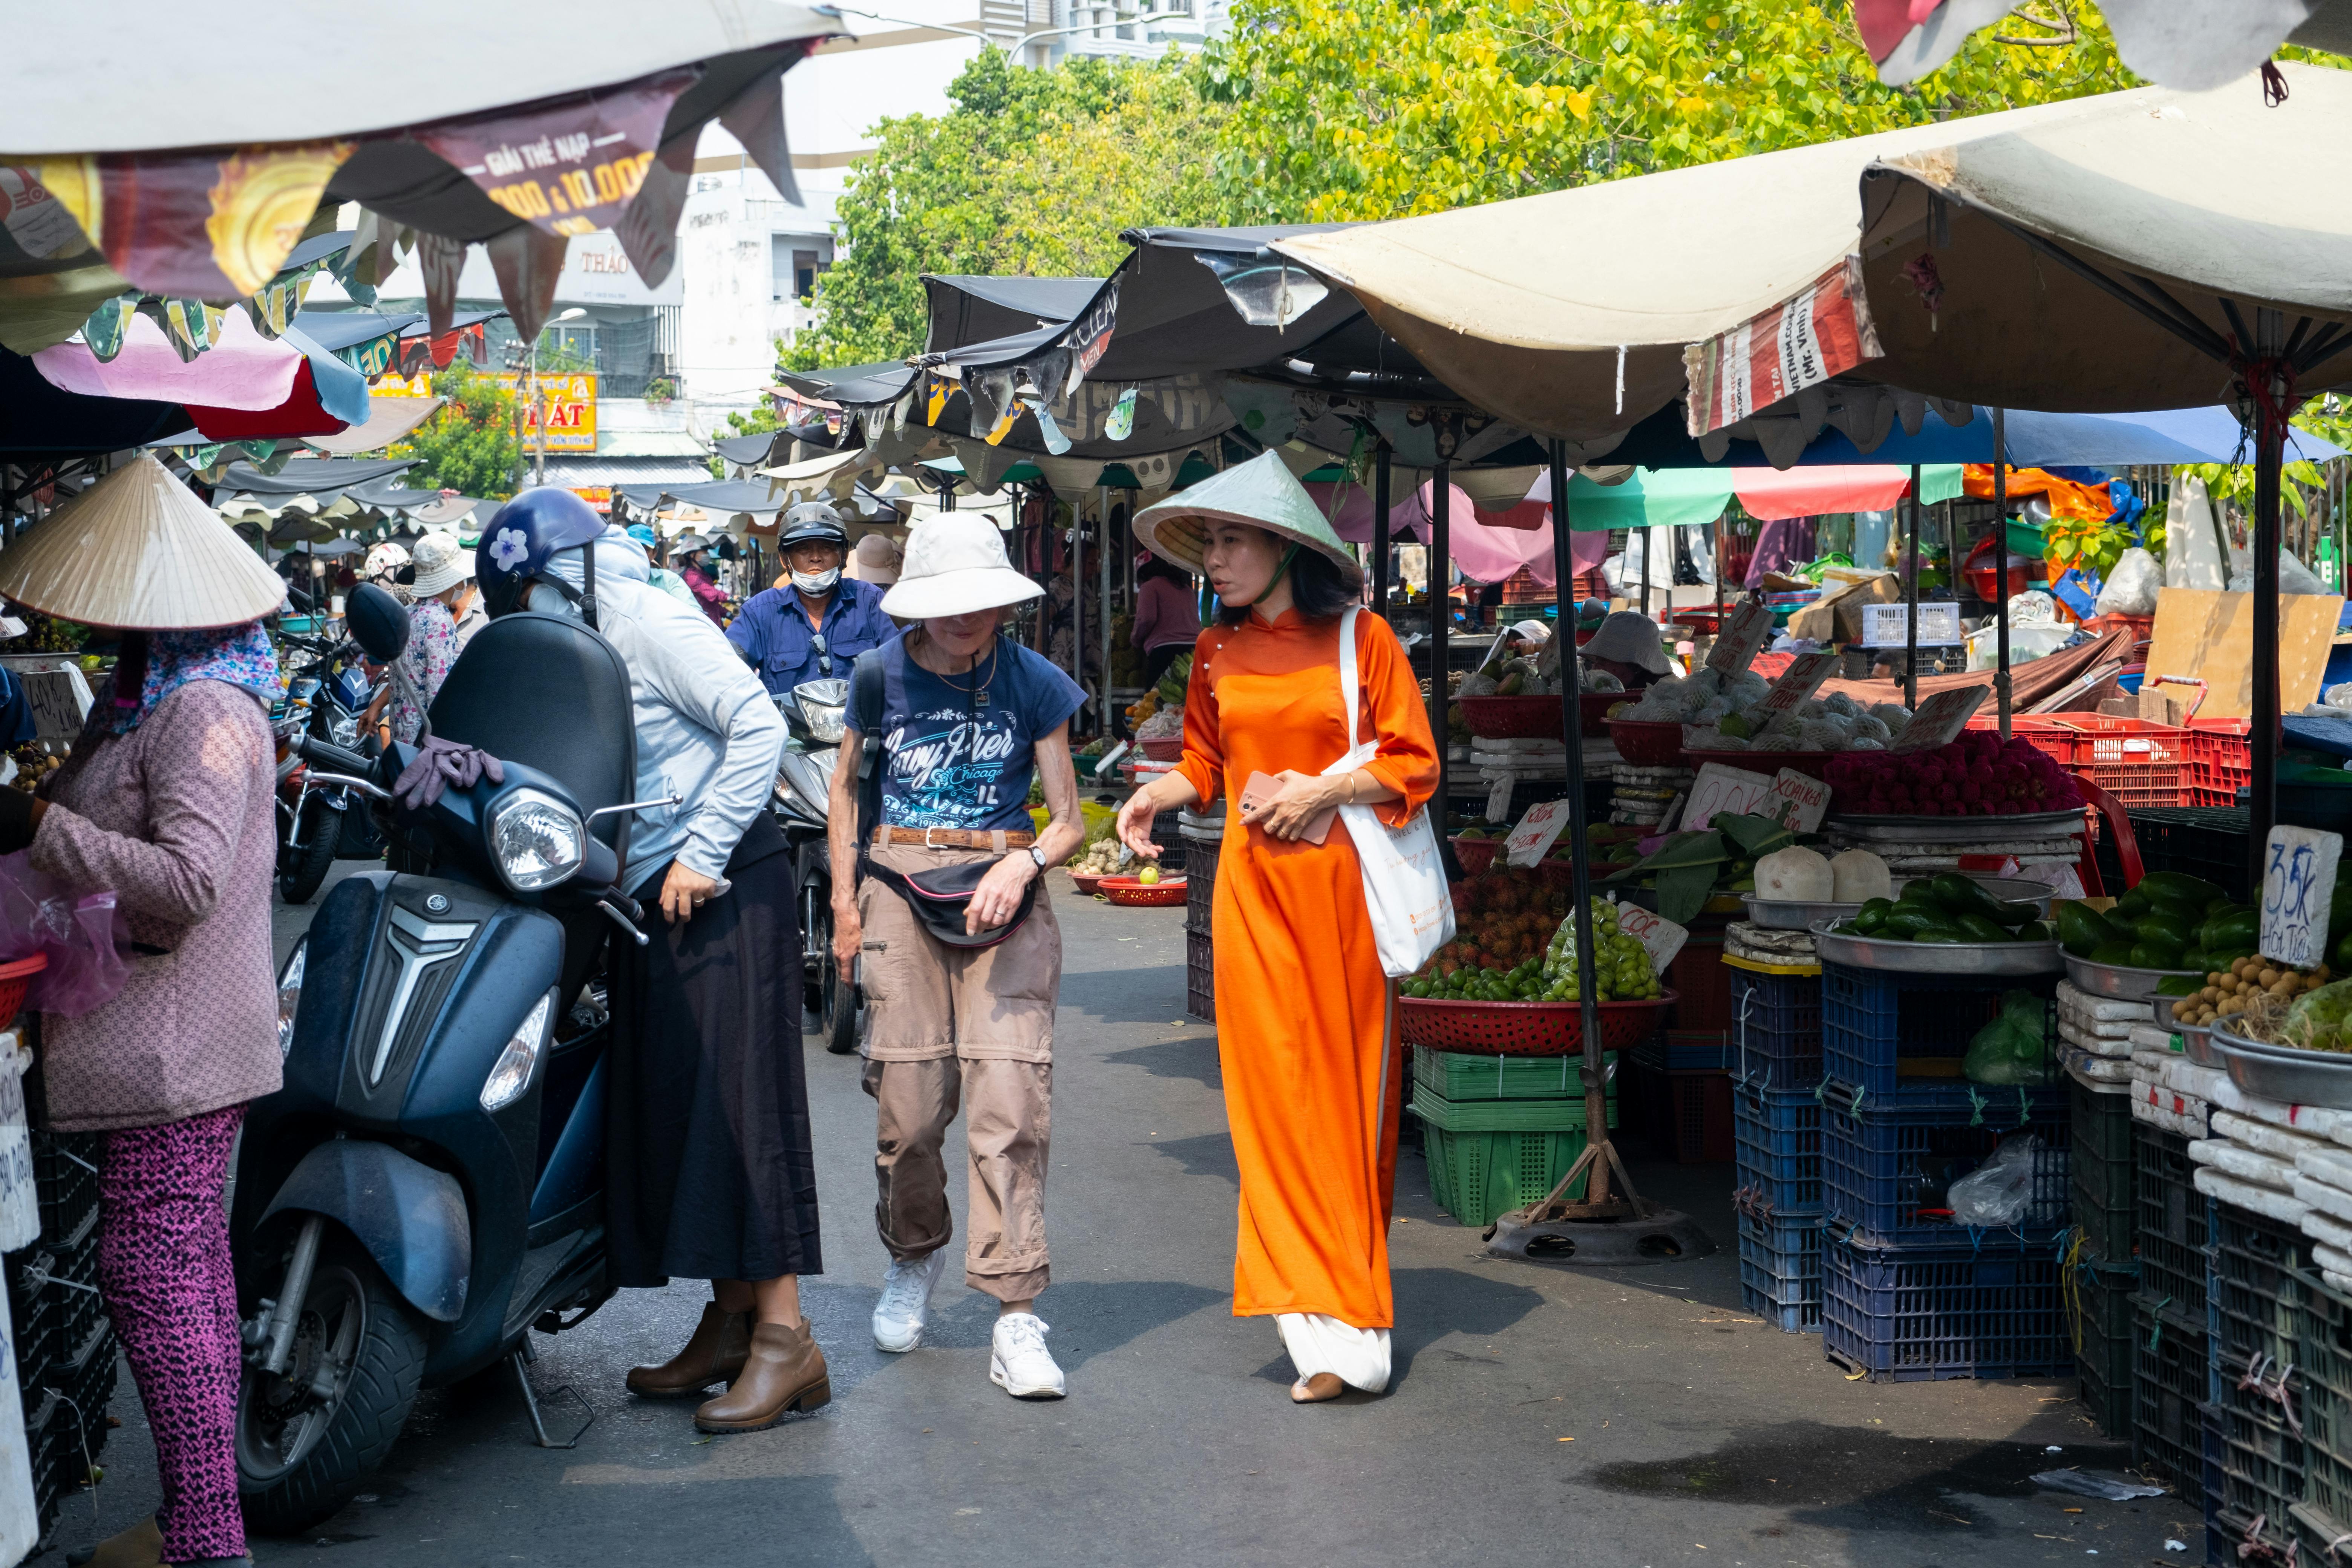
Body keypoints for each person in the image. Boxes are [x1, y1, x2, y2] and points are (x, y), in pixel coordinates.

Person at [474, 490, 825, 1434]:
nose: (540, 616)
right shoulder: (582, 637)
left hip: (722, 884)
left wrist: (703, 854)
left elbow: (757, 725)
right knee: (685, 1112)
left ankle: (787, 1340)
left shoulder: (642, 616)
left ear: (568, 575)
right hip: (645, 898)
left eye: (538, 595)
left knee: (742, 1112)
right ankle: (732, 1323)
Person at [0, 455, 289, 1568]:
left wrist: (45, 828)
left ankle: (206, 1541)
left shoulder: (202, 708)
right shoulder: (152, 697)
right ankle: (198, 1526)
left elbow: (188, 882)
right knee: (184, 1272)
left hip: (178, 1048)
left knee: (155, 1275)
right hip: (168, 1045)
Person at [1114, 451, 1440, 1404]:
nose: (1213, 559)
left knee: (1344, 1102)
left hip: (1341, 897)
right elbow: (1204, 764)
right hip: (1250, 895)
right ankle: (1318, 1330)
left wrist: (1323, 790)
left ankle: (1355, 1318)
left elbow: (1415, 761)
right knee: (1268, 1105)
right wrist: (1154, 797)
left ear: (1286, 546)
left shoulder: (1362, 638)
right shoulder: (1214, 650)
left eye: (1230, 540)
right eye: (1207, 543)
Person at [824, 513, 1085, 1401]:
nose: (965, 618)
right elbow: (844, 791)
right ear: (917, 605)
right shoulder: (876, 675)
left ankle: (1016, 1311)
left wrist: (1026, 861)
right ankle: (913, 1255)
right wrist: (843, 902)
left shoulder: (1035, 681)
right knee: (908, 1112)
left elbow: (1069, 821)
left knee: (1009, 1101)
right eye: (948, 603)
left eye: (981, 601)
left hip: (1005, 893)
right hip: (897, 888)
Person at [726, 502, 897, 699]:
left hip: (861, 719)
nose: (816, 558)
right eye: (803, 549)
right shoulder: (759, 612)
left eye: (827, 548)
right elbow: (724, 670)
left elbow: (902, 663)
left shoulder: (870, 601)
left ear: (843, 555)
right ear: (785, 559)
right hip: (787, 720)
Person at [372, 531, 475, 745]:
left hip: (402, 734)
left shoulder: (406, 614)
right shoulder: (439, 621)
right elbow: (439, 692)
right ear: (453, 579)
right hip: (426, 741)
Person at [1130, 554, 1202, 688]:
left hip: (1165, 652)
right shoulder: (1186, 589)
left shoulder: (1149, 587)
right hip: (1194, 651)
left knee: (1157, 697)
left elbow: (1146, 619)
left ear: (1143, 574)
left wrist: (1135, 640)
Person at [1580, 609, 1672, 690]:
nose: (1596, 668)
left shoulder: (1662, 699)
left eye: (1604, 661)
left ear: (1636, 668)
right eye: (1594, 661)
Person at [628, 522, 697, 607]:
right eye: (633, 548)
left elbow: (694, 610)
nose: (639, 552)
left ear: (654, 553)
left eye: (645, 549)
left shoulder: (669, 580)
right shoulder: (614, 580)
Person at [674, 534, 729, 626]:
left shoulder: (703, 574)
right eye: (704, 551)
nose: (707, 554)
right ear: (692, 555)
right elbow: (711, 594)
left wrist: (727, 613)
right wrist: (730, 597)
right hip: (701, 625)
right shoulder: (691, 577)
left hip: (713, 623)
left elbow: (712, 604)